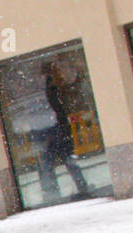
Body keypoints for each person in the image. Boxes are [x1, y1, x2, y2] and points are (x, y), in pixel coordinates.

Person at [40, 62, 90, 200]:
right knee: (66, 161)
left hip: (56, 129)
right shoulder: (53, 88)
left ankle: (51, 192)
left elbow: (57, 107)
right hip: (60, 129)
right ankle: (80, 186)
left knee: (49, 164)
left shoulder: (50, 88)